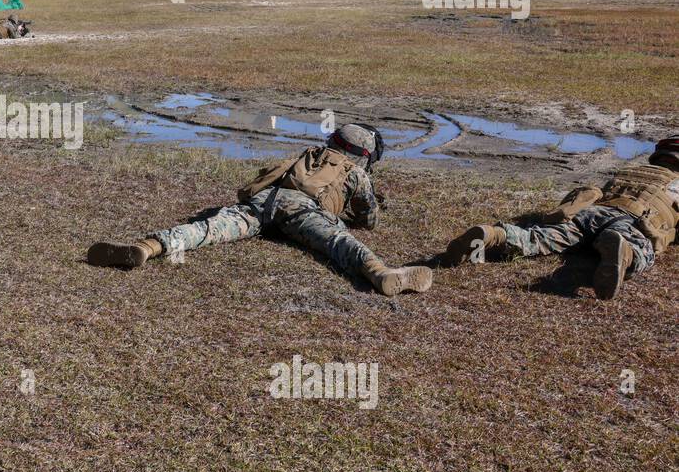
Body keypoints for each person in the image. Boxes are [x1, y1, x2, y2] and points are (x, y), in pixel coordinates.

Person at [87, 123, 433, 297]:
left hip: (262, 202)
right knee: (337, 243)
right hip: (303, 212)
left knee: (210, 228)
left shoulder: (309, 153)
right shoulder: (355, 172)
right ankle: (380, 272)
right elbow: (369, 220)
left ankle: (149, 247)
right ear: (364, 154)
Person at [442, 137, 679, 299]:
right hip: (635, 220)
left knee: (541, 238)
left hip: (592, 213)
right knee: (640, 247)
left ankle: (495, 235)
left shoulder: (631, 170)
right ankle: (624, 251)